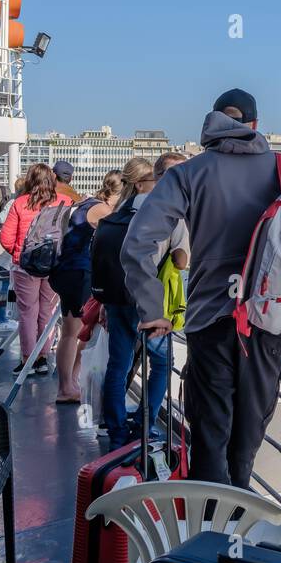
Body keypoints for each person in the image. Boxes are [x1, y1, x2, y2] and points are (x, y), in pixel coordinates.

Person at [121, 88, 281, 487]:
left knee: (210, 440)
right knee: (246, 444)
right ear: (256, 126)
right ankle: (238, 528)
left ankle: (208, 531)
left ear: (212, 122)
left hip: (209, 323)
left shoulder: (188, 173)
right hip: (267, 325)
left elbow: (138, 244)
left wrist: (152, 309)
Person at [94, 157, 180, 447]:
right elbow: (182, 260)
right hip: (147, 301)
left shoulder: (116, 213)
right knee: (161, 362)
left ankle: (115, 428)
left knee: (119, 364)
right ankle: (146, 423)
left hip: (116, 297)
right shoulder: (165, 212)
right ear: (147, 182)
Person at [51, 169, 122, 404]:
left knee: (74, 332)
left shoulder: (87, 203)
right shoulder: (104, 210)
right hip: (77, 273)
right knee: (72, 333)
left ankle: (70, 381)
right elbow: (114, 245)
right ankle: (66, 388)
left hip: (65, 270)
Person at [0, 163, 73, 376]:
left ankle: (27, 360)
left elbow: (6, 238)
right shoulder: (64, 202)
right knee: (46, 313)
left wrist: (18, 253)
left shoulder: (20, 203)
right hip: (53, 266)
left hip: (26, 267)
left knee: (27, 313)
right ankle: (42, 358)